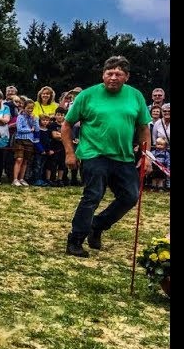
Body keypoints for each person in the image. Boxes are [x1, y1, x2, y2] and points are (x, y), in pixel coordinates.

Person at [62, 55, 151, 257]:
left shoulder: (135, 96)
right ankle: (75, 239)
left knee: (130, 196)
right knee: (93, 195)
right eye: (109, 73)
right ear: (103, 75)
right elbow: (67, 125)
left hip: (124, 156)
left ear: (126, 77)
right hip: (94, 153)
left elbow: (144, 128)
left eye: (118, 74)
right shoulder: (88, 95)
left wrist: (146, 155)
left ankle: (98, 225)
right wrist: (70, 152)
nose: (113, 77)